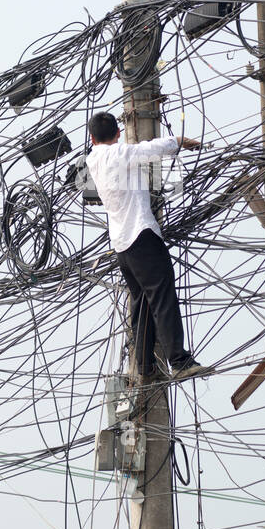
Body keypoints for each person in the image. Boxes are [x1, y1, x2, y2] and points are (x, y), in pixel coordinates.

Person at [85, 110, 207, 381]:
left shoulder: (92, 160)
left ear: (92, 139)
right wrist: (179, 140)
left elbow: (139, 152)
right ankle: (179, 360)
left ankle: (144, 365)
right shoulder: (119, 154)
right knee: (162, 296)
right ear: (118, 133)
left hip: (121, 247)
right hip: (141, 235)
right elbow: (149, 149)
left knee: (141, 303)